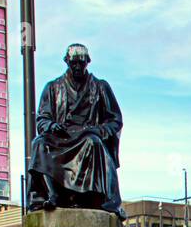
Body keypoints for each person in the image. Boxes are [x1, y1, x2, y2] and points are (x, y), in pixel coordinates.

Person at [27, 43, 125, 217]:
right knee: (39, 143)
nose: (78, 67)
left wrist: (99, 131)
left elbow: (114, 120)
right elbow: (43, 118)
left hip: (87, 136)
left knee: (92, 143)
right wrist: (51, 126)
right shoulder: (53, 87)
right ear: (67, 61)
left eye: (81, 63)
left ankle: (86, 197)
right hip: (61, 138)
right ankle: (52, 194)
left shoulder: (100, 87)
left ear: (87, 62)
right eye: (74, 63)